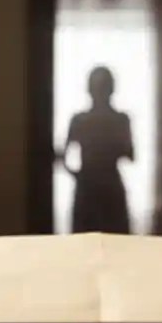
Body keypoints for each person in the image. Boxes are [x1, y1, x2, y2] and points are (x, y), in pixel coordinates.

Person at [59, 66, 134, 234]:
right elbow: (130, 154)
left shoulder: (80, 120)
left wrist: (79, 175)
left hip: (90, 186)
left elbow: (63, 158)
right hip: (105, 186)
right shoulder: (120, 120)